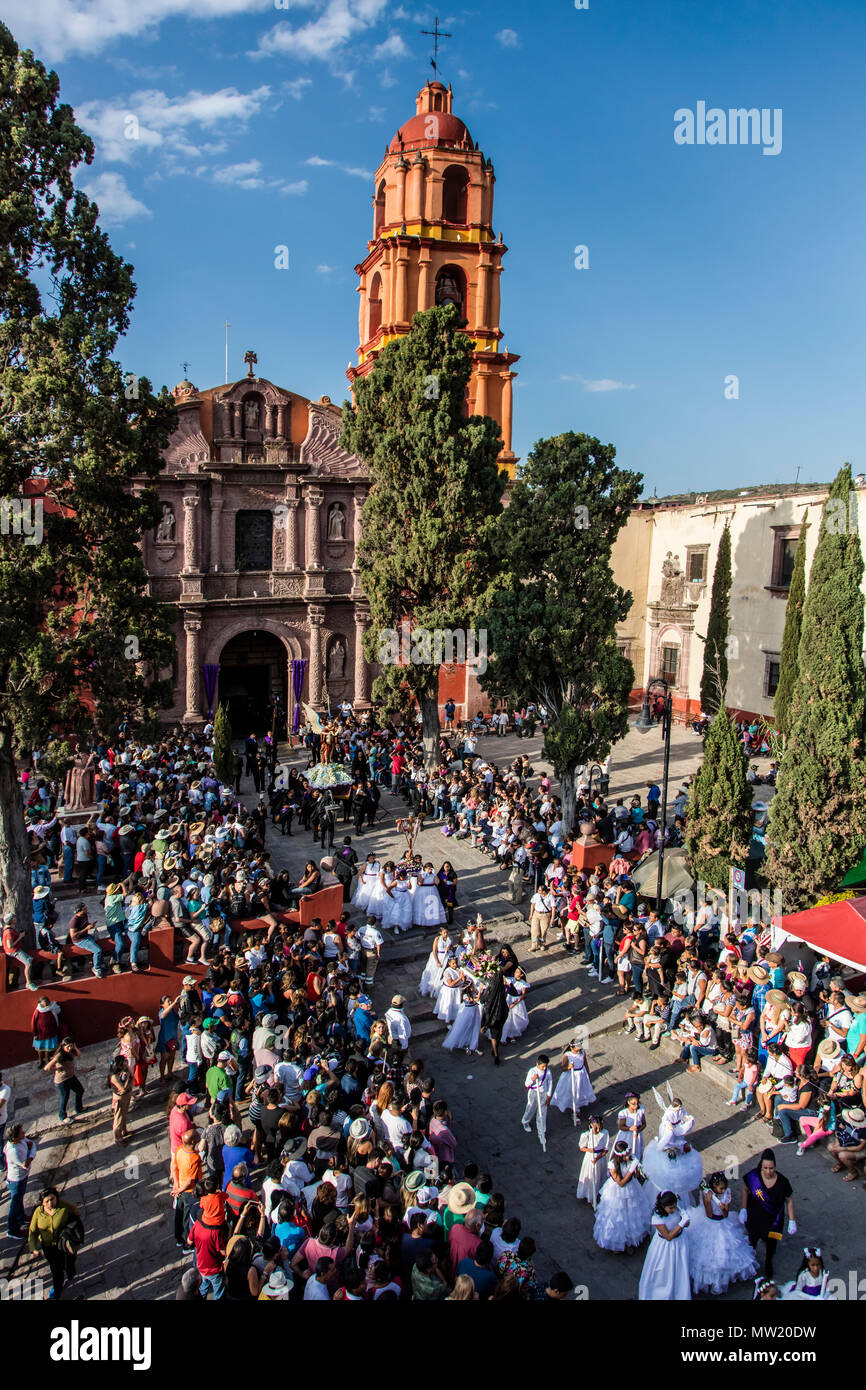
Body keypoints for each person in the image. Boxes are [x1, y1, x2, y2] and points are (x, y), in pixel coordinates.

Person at [686, 1172, 758, 1295]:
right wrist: (708, 1202)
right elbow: (708, 1214)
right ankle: (709, 1281)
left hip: (722, 1222)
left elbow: (725, 1215)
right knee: (709, 1255)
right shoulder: (706, 1194)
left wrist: (724, 1207)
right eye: (721, 1188)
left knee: (725, 1253)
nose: (723, 1190)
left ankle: (720, 1281)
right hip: (709, 1222)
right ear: (714, 1187)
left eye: (725, 1187)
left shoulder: (726, 1194)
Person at [740, 1148, 796, 1277]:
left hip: (773, 1220)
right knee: (752, 1240)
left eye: (771, 1168)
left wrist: (792, 1220)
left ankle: (768, 1263)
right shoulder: (753, 1177)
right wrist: (743, 1208)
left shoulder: (783, 1182)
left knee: (771, 1244)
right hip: (754, 1217)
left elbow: (789, 1200)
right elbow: (745, 1190)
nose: (768, 1171)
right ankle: (749, 1264)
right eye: (765, 1168)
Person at [593, 1139, 652, 1252]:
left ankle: (630, 1242)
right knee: (618, 1217)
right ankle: (616, 1242)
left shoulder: (631, 1159)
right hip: (617, 1192)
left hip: (632, 1188)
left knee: (632, 1215)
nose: (628, 1157)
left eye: (628, 1154)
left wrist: (636, 1170)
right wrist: (630, 1170)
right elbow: (620, 1183)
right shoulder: (612, 1165)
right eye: (625, 1155)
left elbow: (635, 1176)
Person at [28, 1186, 83, 1299]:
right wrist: (33, 1248)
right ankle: (57, 1291)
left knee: (68, 1261)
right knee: (56, 1270)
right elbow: (33, 1231)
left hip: (62, 1244)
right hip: (48, 1247)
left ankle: (70, 1270)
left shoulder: (64, 1207)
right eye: (46, 1201)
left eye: (52, 1199)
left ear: (56, 1197)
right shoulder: (38, 1213)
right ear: (42, 1203)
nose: (50, 1203)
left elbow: (76, 1214)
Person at [638, 1190, 691, 1301]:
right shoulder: (657, 1218)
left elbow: (686, 1224)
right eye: (670, 1208)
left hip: (679, 1244)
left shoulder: (676, 1209)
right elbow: (668, 1236)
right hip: (665, 1248)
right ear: (663, 1206)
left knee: (679, 1271)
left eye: (675, 1206)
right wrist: (681, 1224)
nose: (674, 1209)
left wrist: (685, 1219)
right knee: (663, 1271)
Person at [551, 1040, 596, 1124]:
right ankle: (575, 1111)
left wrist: (588, 1074)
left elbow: (585, 1063)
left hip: (581, 1075)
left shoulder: (582, 1052)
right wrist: (569, 1067)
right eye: (577, 1048)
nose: (579, 1050)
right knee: (573, 1092)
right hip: (571, 1076)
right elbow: (563, 1068)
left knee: (580, 1091)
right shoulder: (567, 1055)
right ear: (572, 1047)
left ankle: (578, 1106)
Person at [4, 1123, 37, 1237]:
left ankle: (21, 1217)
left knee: (19, 1200)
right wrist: (31, 1155)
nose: (24, 1133)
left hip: (22, 1177)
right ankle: (12, 1229)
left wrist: (30, 1151)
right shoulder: (13, 1151)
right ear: (14, 1138)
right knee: (15, 1204)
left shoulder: (21, 1140)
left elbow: (32, 1145)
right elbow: (25, 1163)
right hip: (16, 1180)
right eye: (21, 1133)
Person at [45, 1037, 84, 1124]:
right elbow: (47, 1067)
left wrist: (75, 1047)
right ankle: (62, 1116)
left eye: (71, 1046)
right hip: (62, 1081)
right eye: (68, 1046)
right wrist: (56, 1069)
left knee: (80, 1090)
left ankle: (79, 1108)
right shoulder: (60, 1055)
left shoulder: (72, 1051)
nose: (70, 1048)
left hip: (71, 1076)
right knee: (65, 1098)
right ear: (63, 1046)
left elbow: (79, 1054)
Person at [576, 1114, 610, 1210]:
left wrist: (598, 1157)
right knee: (592, 1177)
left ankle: (600, 1193)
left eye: (599, 1127)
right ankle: (591, 1197)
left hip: (600, 1159)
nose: (597, 1130)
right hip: (590, 1158)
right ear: (591, 1125)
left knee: (600, 1176)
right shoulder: (586, 1135)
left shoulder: (605, 1133)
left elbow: (606, 1149)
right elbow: (582, 1147)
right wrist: (589, 1150)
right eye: (595, 1127)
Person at [521, 1055, 553, 1152]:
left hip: (543, 1093)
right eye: (542, 1066)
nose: (544, 1068)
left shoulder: (548, 1072)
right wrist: (533, 1079)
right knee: (530, 1109)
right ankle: (525, 1122)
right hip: (534, 1093)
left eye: (545, 1066)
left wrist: (548, 1096)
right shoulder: (532, 1071)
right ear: (537, 1064)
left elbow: (550, 1083)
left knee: (542, 1113)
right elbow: (526, 1084)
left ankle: (541, 1133)